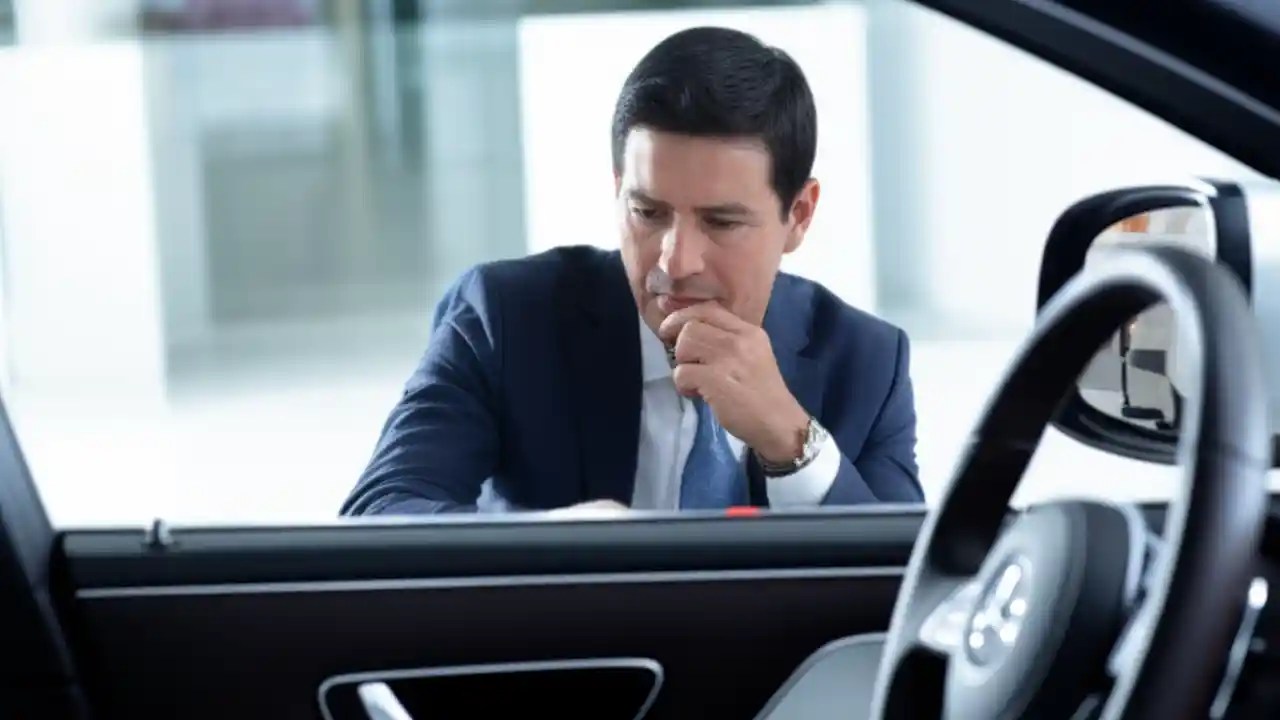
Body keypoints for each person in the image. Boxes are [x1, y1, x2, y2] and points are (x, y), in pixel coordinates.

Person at [339, 26, 923, 516]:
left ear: (798, 214)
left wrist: (794, 443)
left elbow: (908, 581)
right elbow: (382, 515)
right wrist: (563, 548)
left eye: (720, 222)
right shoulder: (506, 318)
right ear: (618, 193)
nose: (675, 260)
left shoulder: (866, 362)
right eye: (648, 212)